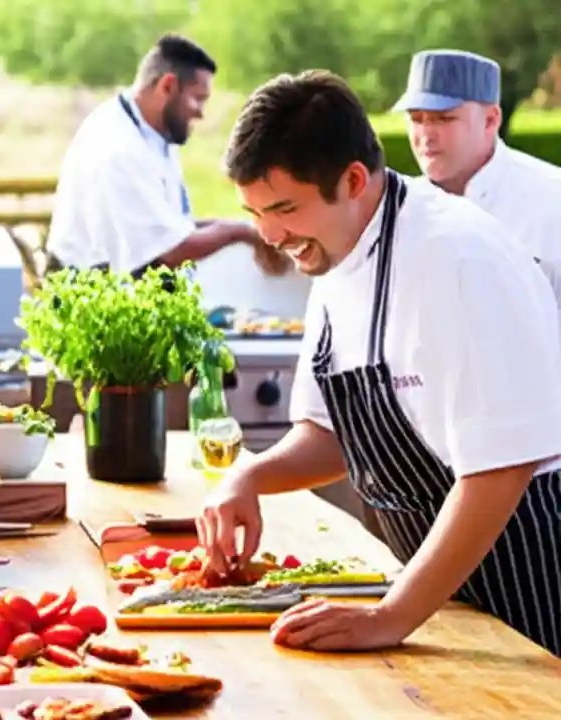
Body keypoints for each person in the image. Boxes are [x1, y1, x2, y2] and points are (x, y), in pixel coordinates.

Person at [198, 70, 561, 656]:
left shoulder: (459, 258)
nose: (269, 234)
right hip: (435, 594)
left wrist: (390, 616)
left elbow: (500, 471)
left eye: (285, 207)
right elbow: (332, 435)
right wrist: (250, 477)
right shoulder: (333, 252)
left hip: (526, 583)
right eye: (254, 211)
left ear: (354, 179)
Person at [45, 33, 287, 278]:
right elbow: (170, 250)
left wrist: (244, 229)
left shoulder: (152, 134)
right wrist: (241, 233)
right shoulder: (118, 147)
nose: (201, 113)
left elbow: (172, 227)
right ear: (168, 86)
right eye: (198, 99)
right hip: (84, 292)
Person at [394, 48, 561, 299]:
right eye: (416, 119)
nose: (426, 135)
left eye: (444, 118)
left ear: (491, 120)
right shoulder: (398, 209)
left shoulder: (551, 200)